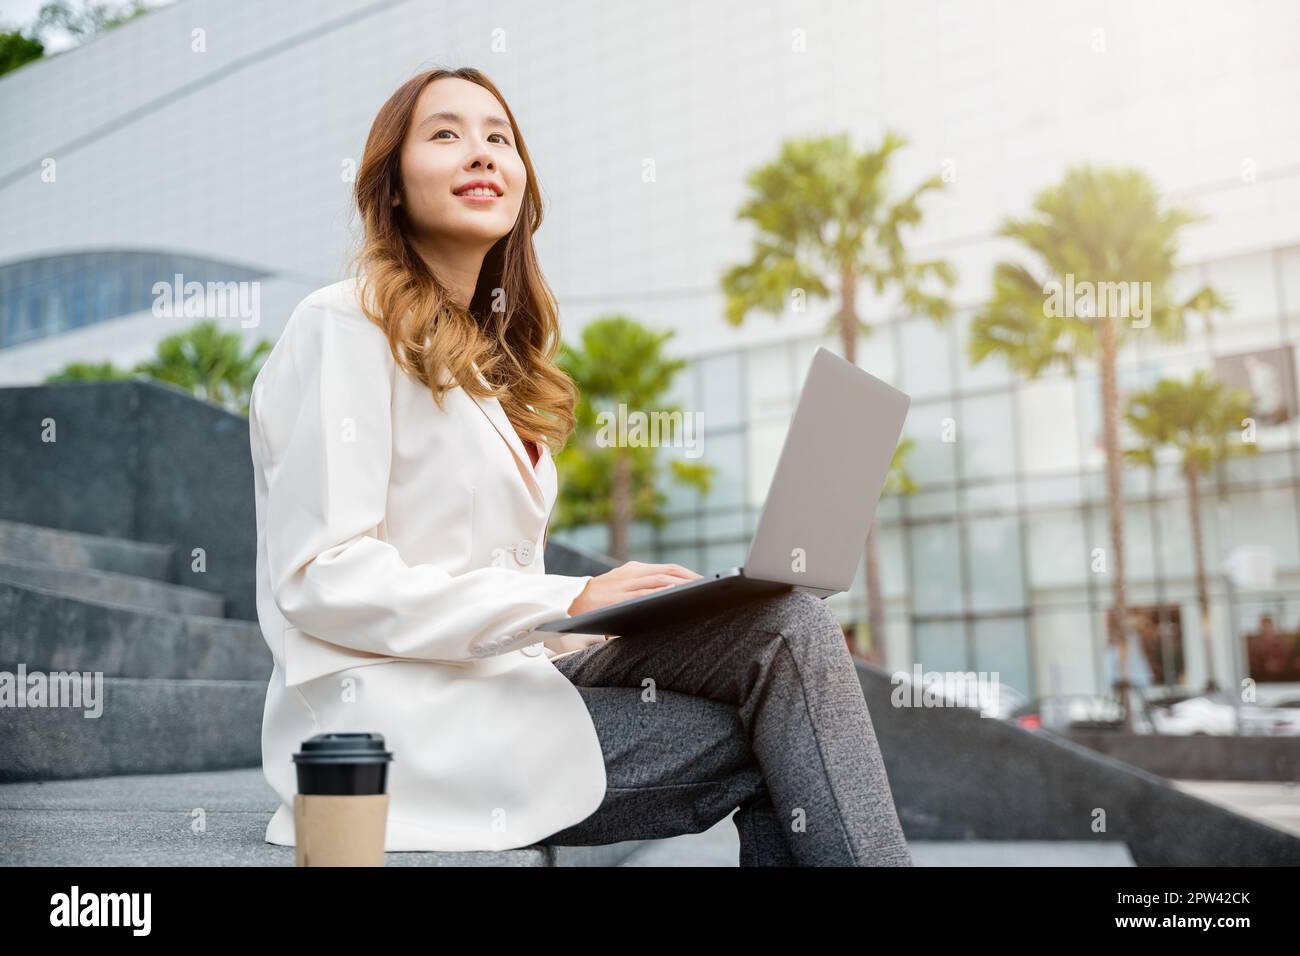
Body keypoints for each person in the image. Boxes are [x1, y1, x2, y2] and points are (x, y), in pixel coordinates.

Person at [250, 66, 910, 866]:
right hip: (399, 720)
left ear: (522, 186)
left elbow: (486, 591)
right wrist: (571, 595)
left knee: (783, 620)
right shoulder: (344, 325)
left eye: (499, 138)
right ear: (391, 187)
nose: (481, 154)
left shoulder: (488, 365)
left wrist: (646, 609)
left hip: (504, 681)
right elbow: (324, 576)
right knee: (786, 732)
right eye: (446, 134)